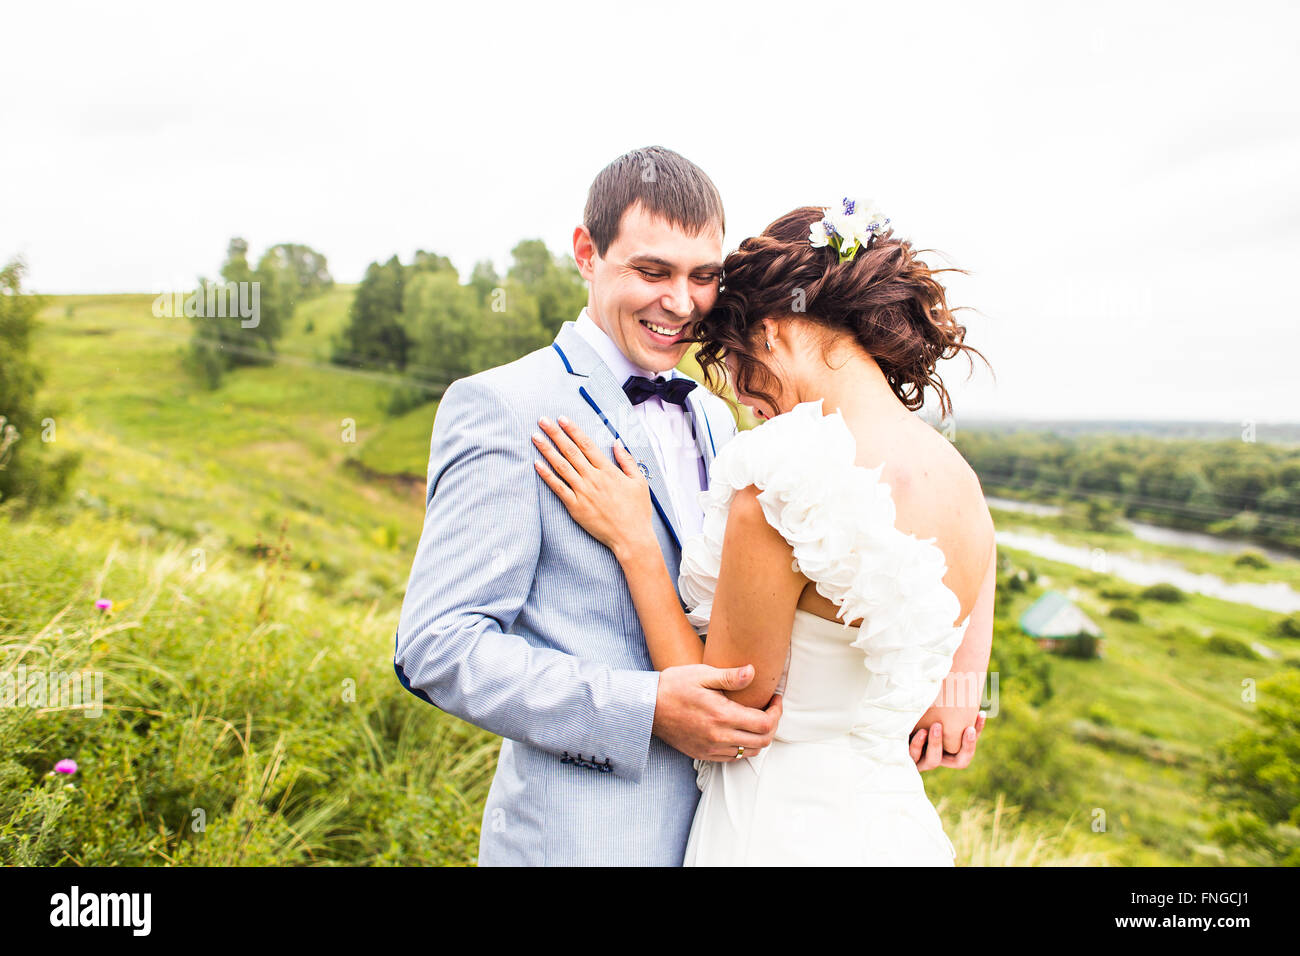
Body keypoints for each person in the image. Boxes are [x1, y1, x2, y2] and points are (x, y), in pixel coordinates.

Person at [395, 148, 983, 866]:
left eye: (702, 276)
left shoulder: (723, 420)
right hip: (589, 843)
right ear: (587, 252)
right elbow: (437, 647)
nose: (680, 302)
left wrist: (949, 681)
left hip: (745, 830)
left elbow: (870, 554)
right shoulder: (503, 408)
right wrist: (640, 708)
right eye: (652, 271)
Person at [531, 198, 996, 865]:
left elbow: (728, 709)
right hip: (896, 831)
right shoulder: (961, 484)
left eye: (734, 361)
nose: (741, 399)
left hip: (775, 829)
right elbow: (949, 699)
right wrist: (953, 700)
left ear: (774, 330)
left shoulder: (783, 473)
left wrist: (634, 541)